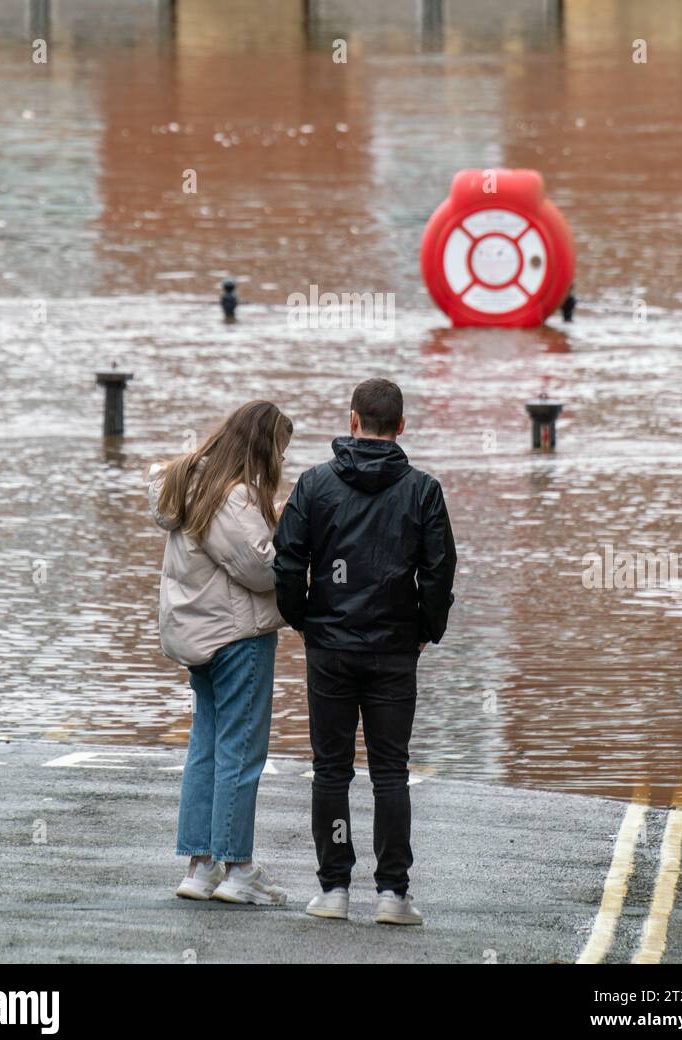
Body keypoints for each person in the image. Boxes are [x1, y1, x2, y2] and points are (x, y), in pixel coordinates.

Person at [273, 378, 456, 925]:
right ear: (401, 426)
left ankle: (333, 889)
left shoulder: (314, 484)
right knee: (391, 771)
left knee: (331, 770)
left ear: (352, 420)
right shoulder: (423, 491)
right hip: (394, 648)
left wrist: (303, 619)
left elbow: (288, 561)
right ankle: (393, 893)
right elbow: (439, 570)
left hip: (330, 645)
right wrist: (427, 629)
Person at [148, 399, 293, 906]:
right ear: (260, 447)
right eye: (279, 450)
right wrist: (288, 542)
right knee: (240, 753)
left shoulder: (186, 483)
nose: (281, 461)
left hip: (200, 635)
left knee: (206, 748)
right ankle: (238, 869)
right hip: (237, 637)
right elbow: (261, 570)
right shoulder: (230, 496)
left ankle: (200, 865)